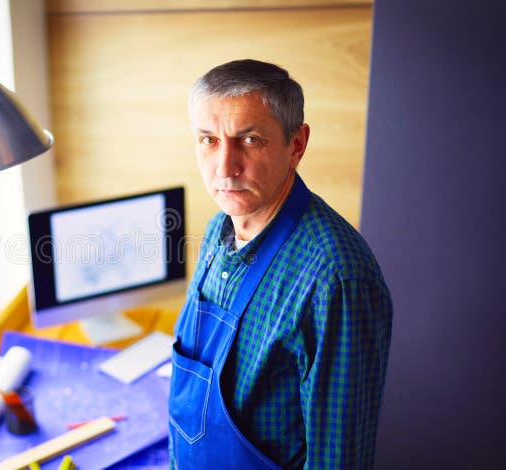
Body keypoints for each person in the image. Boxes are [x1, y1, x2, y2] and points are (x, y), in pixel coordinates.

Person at [168, 59, 393, 469]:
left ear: (296, 145)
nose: (224, 168)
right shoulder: (221, 227)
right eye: (208, 140)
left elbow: (338, 461)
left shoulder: (336, 279)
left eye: (249, 140)